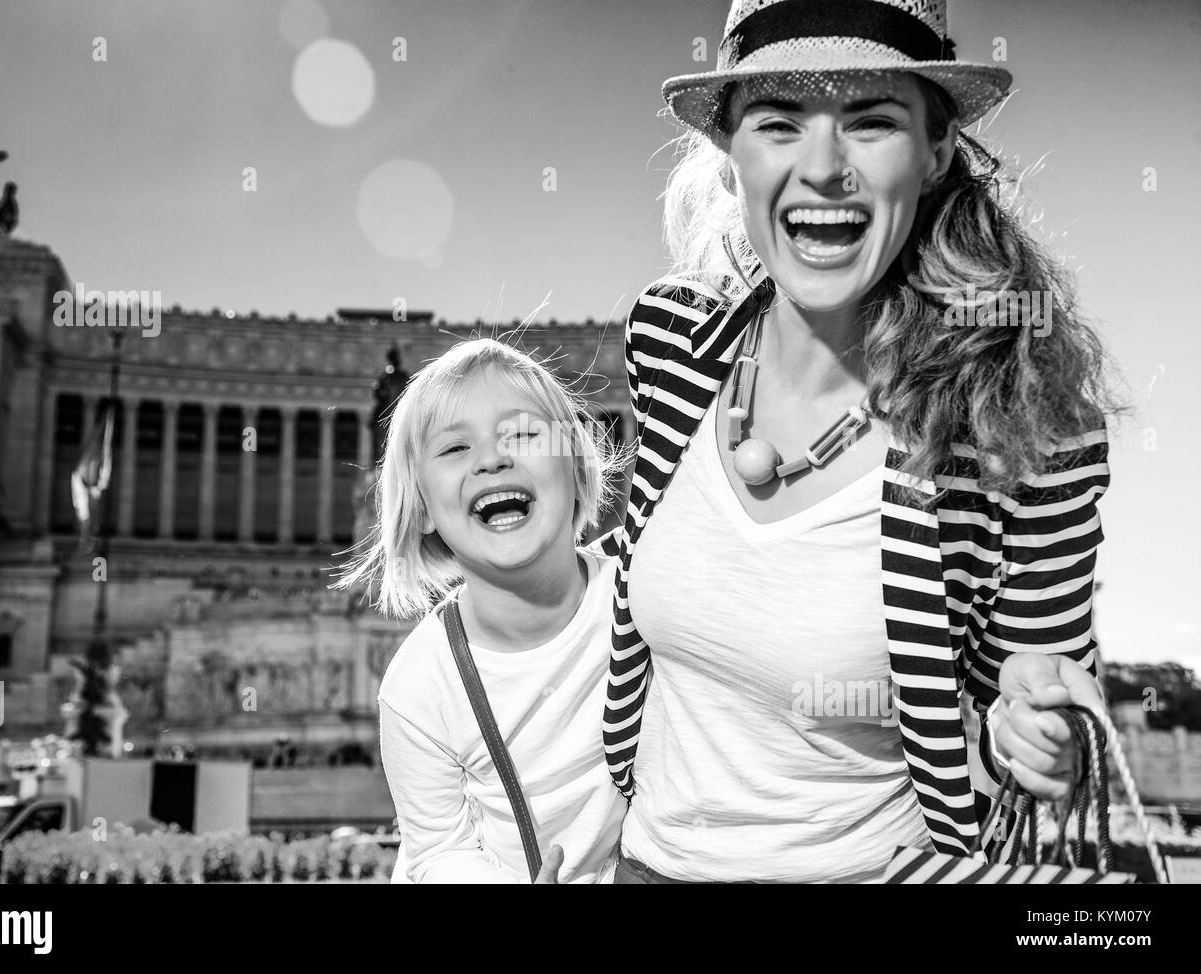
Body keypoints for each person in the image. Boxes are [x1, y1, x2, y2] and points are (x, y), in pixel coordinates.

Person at [604, 0, 1127, 882]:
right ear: (732, 156)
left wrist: (1033, 734)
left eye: (871, 121)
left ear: (936, 151)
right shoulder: (671, 341)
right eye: (778, 123)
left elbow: (1034, 707)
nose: (823, 168)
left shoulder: (1030, 425)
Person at [336, 339, 629, 883]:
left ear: (579, 470)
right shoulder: (417, 688)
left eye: (522, 434)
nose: (492, 458)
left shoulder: (647, 599)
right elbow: (439, 850)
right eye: (453, 449)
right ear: (420, 508)